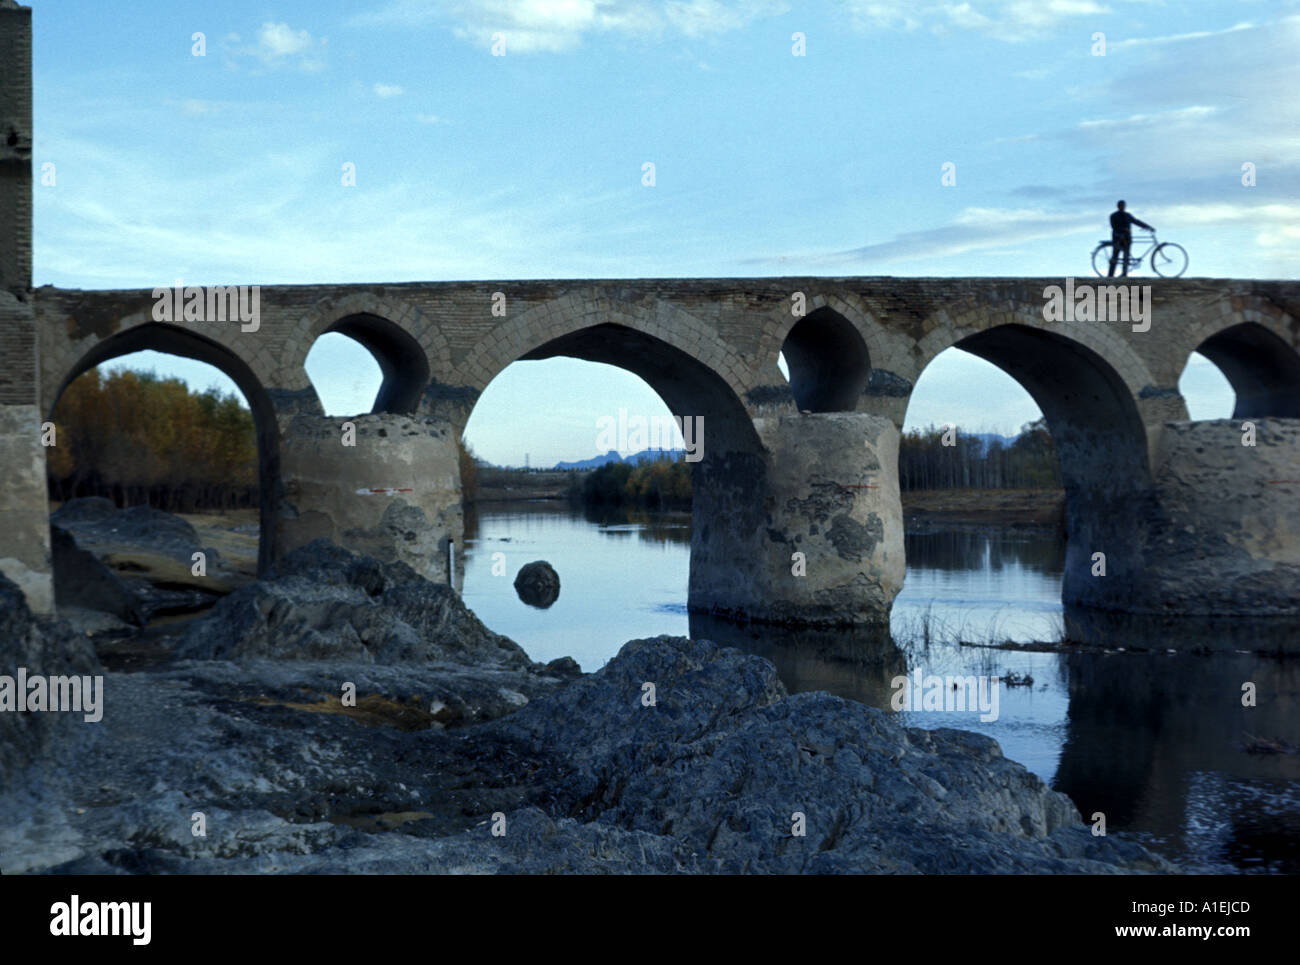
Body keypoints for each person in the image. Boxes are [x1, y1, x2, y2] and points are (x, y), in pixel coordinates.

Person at [1108, 200, 1153, 277]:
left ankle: (1124, 274)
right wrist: (1123, 230)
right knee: (1115, 257)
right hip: (1118, 238)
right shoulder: (1113, 216)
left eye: (1123, 206)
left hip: (1127, 239)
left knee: (1126, 256)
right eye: (1121, 206)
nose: (1122, 207)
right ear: (1118, 206)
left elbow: (1137, 222)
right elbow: (1114, 227)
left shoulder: (1127, 215)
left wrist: (1148, 227)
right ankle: (1110, 275)